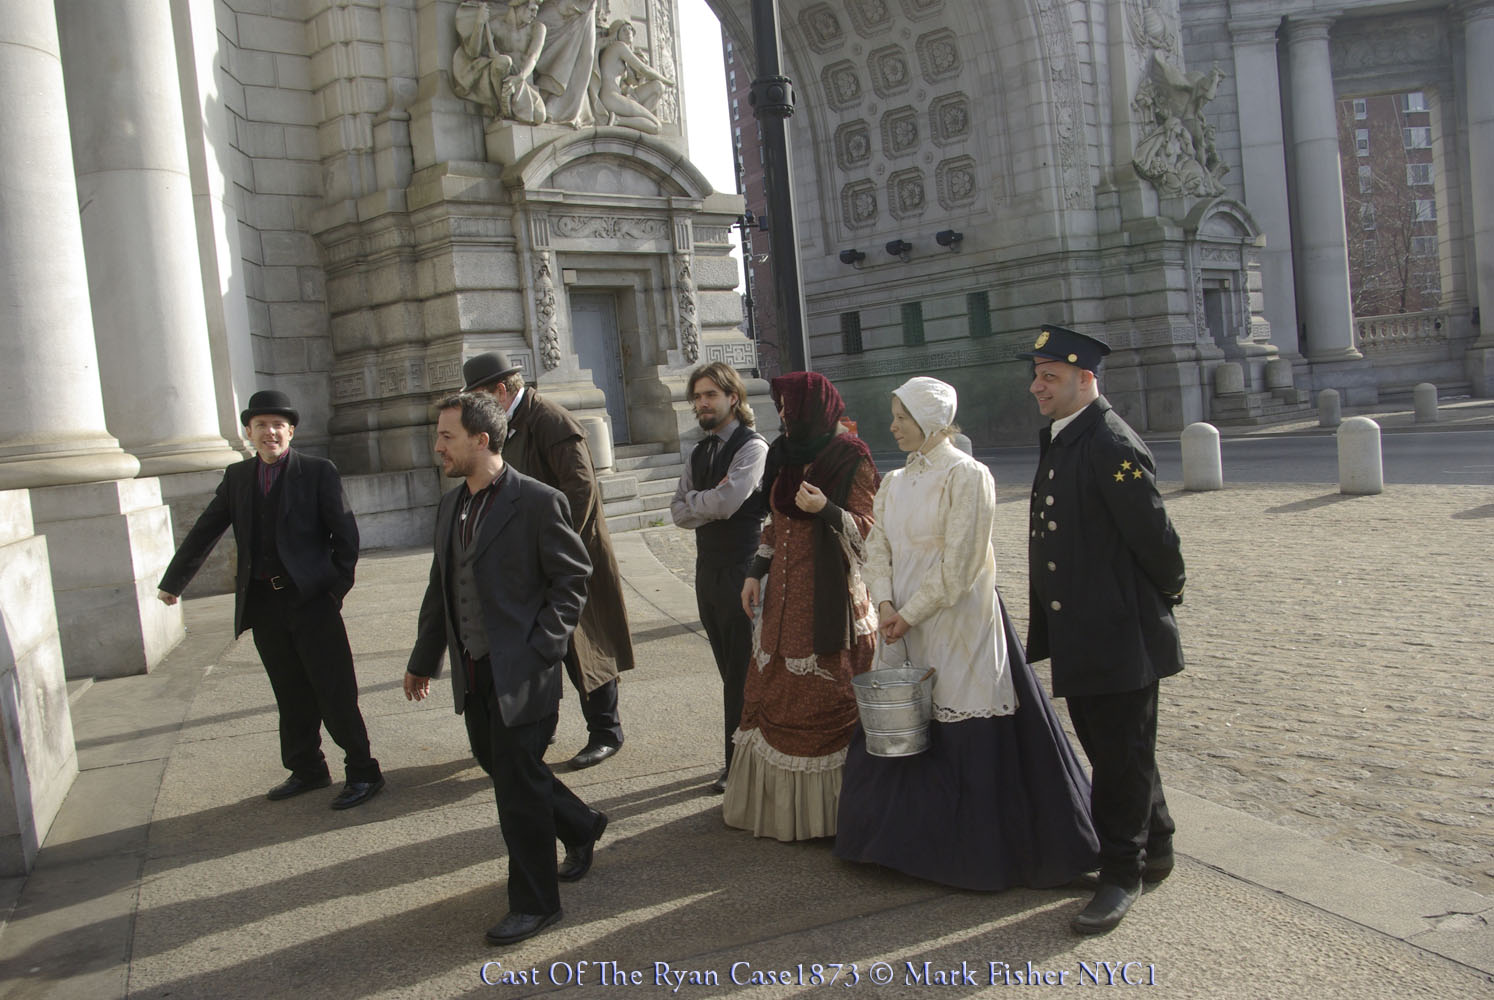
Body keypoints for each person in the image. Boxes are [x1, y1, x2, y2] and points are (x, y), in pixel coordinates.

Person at [834, 377, 1098, 889]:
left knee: (960, 709)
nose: (893, 426)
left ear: (932, 420)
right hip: (900, 621)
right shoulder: (894, 481)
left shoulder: (968, 475)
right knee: (906, 722)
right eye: (894, 416)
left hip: (955, 620)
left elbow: (961, 563)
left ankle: (972, 854)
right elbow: (878, 548)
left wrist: (911, 612)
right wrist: (886, 602)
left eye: (903, 417)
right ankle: (901, 847)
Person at [404, 393, 604, 947]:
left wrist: (544, 646)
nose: (437, 445)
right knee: (500, 764)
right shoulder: (451, 506)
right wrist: (425, 660)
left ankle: (536, 904)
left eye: (447, 436)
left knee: (515, 790)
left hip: (526, 670)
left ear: (482, 440)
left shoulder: (537, 502)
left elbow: (572, 581)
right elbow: (439, 590)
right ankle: (581, 825)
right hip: (475, 670)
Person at [1019, 325, 1186, 935]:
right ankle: (1156, 846)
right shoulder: (1070, 435)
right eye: (1036, 374)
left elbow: (1156, 539)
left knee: (1119, 759)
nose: (1038, 385)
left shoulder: (1108, 441)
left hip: (1118, 632)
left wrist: (1162, 601)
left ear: (1086, 379)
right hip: (1085, 629)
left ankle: (1122, 873)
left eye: (1051, 377)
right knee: (1122, 750)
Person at [157, 390, 383, 809]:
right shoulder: (237, 478)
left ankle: (363, 771)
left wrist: (333, 590)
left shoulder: (318, 472)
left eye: (278, 425)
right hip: (264, 604)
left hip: (312, 601)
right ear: (249, 432)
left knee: (334, 690)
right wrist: (174, 581)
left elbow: (345, 537)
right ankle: (308, 768)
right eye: (261, 425)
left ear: (291, 431)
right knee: (290, 691)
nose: (270, 432)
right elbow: (205, 529)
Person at [724, 372, 879, 840]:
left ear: (816, 408)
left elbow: (868, 530)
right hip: (781, 603)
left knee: (824, 697)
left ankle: (831, 819)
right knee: (771, 692)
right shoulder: (786, 453)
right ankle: (779, 814)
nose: (787, 418)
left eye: (793, 409)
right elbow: (773, 523)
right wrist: (755, 571)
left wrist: (826, 510)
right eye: (782, 410)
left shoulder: (852, 456)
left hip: (827, 601)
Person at [461, 352, 633, 770]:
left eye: (480, 398)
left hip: (570, 555)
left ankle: (606, 731)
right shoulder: (508, 422)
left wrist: (555, 549)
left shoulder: (549, 420)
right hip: (530, 558)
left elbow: (581, 491)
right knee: (536, 645)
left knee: (586, 646)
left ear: (501, 391)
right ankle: (539, 722)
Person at [669, 362, 768, 794]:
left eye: (711, 394)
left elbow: (729, 502)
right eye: (697, 396)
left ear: (733, 397)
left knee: (743, 671)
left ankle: (739, 764)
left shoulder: (753, 446)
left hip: (743, 570)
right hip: (706, 570)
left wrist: (699, 502)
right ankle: (743, 757)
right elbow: (676, 511)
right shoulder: (699, 451)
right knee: (728, 671)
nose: (702, 403)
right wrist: (700, 500)